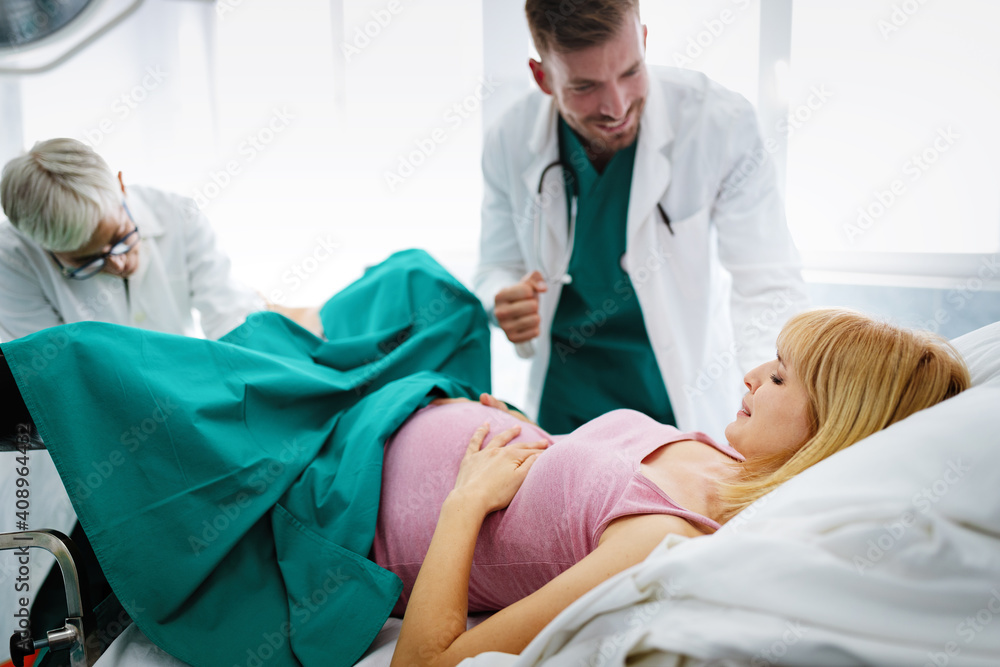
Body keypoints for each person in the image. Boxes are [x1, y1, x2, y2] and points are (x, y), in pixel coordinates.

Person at [380, 308, 970, 666]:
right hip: (406, 413)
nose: (752, 376)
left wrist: (465, 502)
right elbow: (567, 488)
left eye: (780, 376)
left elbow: (427, 662)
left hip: (355, 493)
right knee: (419, 286)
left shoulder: (662, 536)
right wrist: (530, 434)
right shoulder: (730, 458)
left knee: (398, 296)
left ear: (830, 426)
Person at [473, 0, 809, 438]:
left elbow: (767, 281)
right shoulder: (508, 138)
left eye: (631, 71)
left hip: (675, 401)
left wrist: (782, 398)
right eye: (584, 86)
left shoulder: (718, 122)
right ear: (543, 78)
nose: (616, 106)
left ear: (644, 41)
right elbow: (495, 266)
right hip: (566, 404)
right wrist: (502, 298)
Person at [0, 137, 321, 342]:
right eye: (87, 261)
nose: (119, 262)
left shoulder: (178, 215)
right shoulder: (12, 259)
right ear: (43, 246)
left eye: (120, 236)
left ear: (121, 186)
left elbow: (228, 315)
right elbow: (56, 370)